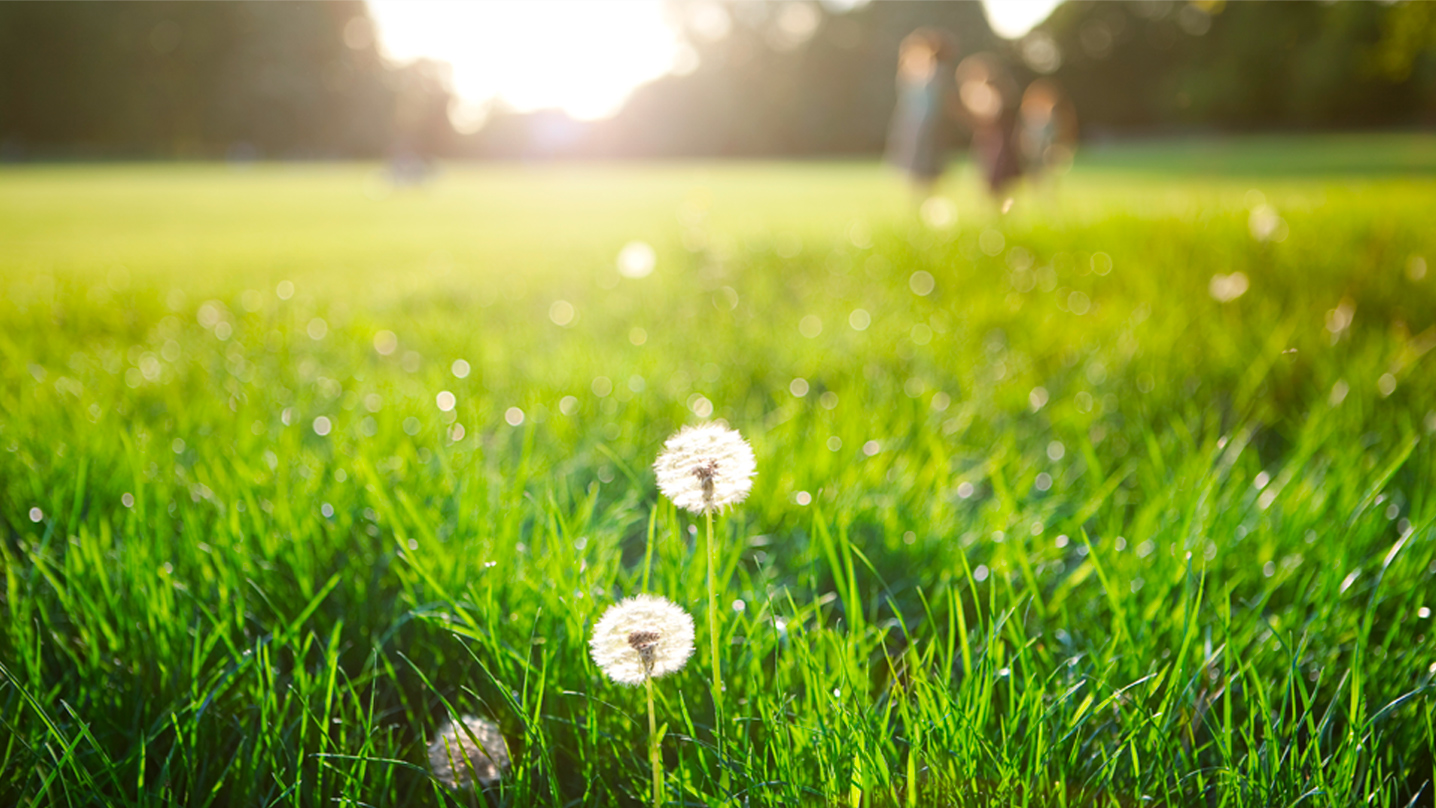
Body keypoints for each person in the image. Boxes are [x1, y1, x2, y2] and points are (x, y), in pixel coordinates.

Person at [885, 29, 958, 200]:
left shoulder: (938, 72)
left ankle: (929, 198)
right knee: (913, 166)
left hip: (931, 127)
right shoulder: (908, 74)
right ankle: (917, 199)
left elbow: (945, 99)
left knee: (929, 165)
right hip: (912, 126)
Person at [953, 53, 1022, 203]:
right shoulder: (976, 91)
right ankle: (996, 202)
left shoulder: (993, 90)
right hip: (987, 138)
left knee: (998, 171)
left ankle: (1001, 202)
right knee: (989, 171)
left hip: (997, 138)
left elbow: (992, 114)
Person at [1018, 78, 1078, 186]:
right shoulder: (1029, 114)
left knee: (1049, 170)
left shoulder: (1053, 115)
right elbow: (1025, 134)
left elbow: (1059, 131)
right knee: (1036, 171)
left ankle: (1047, 188)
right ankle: (1037, 185)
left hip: (1048, 148)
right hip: (1034, 150)